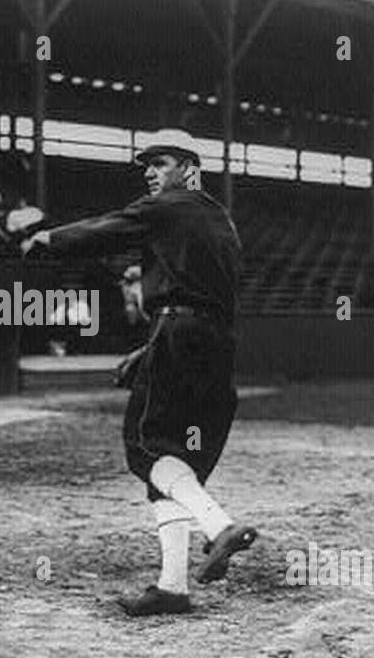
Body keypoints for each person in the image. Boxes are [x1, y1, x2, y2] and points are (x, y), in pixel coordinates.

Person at [21, 129, 256, 617]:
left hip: (178, 334)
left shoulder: (171, 206)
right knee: (172, 464)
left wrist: (48, 238)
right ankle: (172, 587)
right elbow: (203, 297)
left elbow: (109, 229)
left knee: (145, 447)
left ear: (189, 168)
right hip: (214, 343)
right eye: (146, 165)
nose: (150, 172)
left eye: (160, 162)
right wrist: (149, 348)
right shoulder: (222, 220)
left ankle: (218, 526)